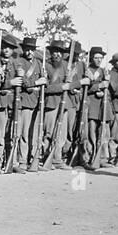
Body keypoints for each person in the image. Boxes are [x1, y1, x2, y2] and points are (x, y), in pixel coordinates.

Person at [40, 40, 74, 170]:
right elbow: (46, 88)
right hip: (51, 102)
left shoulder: (66, 66)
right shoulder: (46, 66)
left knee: (61, 133)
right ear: (51, 52)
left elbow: (71, 85)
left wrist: (70, 83)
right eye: (55, 52)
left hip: (64, 103)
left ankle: (57, 159)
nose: (58, 54)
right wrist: (62, 86)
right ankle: (46, 157)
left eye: (60, 52)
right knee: (49, 133)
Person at [15, 35, 46, 172]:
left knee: (34, 134)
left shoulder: (39, 64)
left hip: (36, 102)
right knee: (23, 133)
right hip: (25, 103)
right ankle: (22, 161)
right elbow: (25, 85)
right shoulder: (19, 62)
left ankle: (32, 158)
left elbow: (46, 81)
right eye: (27, 49)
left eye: (32, 49)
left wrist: (41, 82)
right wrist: (37, 83)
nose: (29, 52)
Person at [0, 34, 19, 173]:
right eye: (5, 47)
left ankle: (3, 161)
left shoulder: (15, 63)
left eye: (10, 48)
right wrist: (9, 83)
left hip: (10, 103)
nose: (7, 50)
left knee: (6, 135)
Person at [80, 47, 112, 169]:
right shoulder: (87, 70)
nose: (98, 60)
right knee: (91, 133)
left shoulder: (104, 71)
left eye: (100, 58)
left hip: (102, 106)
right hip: (91, 105)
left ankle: (102, 158)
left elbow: (109, 89)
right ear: (91, 58)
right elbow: (85, 88)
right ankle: (90, 157)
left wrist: (104, 91)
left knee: (103, 132)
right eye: (96, 57)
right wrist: (98, 86)